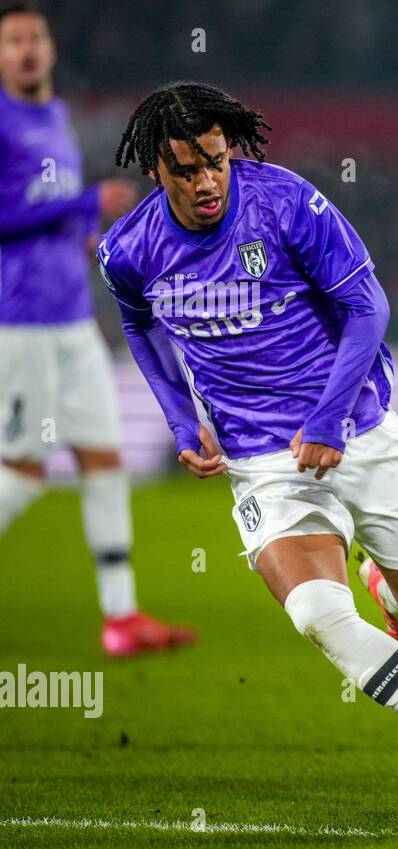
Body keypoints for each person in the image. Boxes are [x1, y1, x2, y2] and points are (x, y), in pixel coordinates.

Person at [99, 81, 398, 738]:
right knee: (316, 613)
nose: (208, 181)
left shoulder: (287, 202)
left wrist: (327, 418)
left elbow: (367, 307)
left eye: (217, 160)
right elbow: (140, 327)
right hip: (259, 455)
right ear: (155, 168)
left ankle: (386, 582)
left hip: (356, 428)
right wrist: (182, 419)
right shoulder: (129, 250)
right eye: (187, 170)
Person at [0, 0, 195, 655]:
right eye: (13, 40)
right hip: (20, 320)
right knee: (23, 471)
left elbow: (39, 209)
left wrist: (81, 231)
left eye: (35, 37)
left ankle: (120, 617)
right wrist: (86, 202)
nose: (27, 49)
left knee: (104, 461)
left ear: (51, 49)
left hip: (74, 317)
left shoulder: (54, 117)